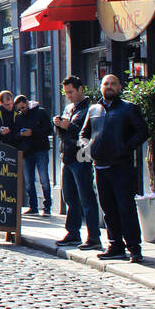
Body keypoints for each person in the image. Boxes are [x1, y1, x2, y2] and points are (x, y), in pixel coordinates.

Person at [78, 74, 148, 264]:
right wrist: (88, 148)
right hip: (100, 166)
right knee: (108, 209)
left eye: (113, 84)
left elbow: (142, 131)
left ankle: (134, 248)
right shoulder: (94, 109)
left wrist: (125, 147)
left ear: (119, 87)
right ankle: (115, 245)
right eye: (105, 84)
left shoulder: (128, 108)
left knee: (126, 208)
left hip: (121, 166)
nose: (109, 87)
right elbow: (84, 133)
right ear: (101, 87)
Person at [52, 76, 102, 250]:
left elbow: (86, 134)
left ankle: (94, 236)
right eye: (66, 93)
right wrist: (59, 125)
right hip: (67, 157)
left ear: (81, 89)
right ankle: (73, 233)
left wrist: (68, 128)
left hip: (82, 157)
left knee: (86, 198)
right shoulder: (69, 108)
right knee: (70, 198)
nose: (69, 95)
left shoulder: (90, 109)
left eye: (71, 92)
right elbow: (63, 134)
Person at [14, 93, 54, 216]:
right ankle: (33, 206)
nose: (22, 110)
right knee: (29, 181)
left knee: (44, 179)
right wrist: (21, 135)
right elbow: (15, 135)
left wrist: (33, 133)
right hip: (27, 152)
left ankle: (47, 207)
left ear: (27, 103)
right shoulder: (19, 118)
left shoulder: (40, 112)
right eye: (19, 109)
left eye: (23, 107)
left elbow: (49, 130)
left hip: (40, 149)